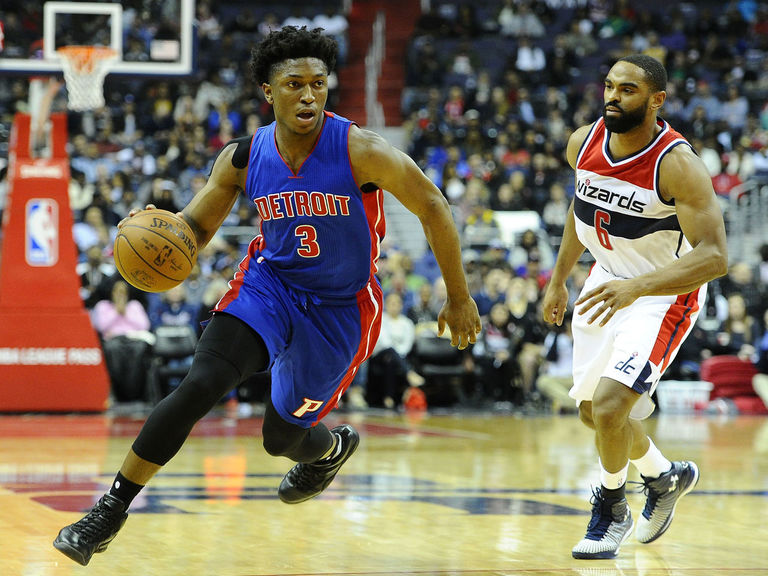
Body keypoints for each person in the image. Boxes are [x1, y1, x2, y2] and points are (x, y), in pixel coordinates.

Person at [53, 26, 481, 567]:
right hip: (270, 286)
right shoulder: (242, 157)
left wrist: (459, 296)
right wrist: (155, 238)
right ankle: (108, 512)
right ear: (268, 91)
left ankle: (329, 450)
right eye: (295, 84)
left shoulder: (360, 150)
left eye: (319, 84)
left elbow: (434, 205)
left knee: (281, 437)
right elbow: (192, 231)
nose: (309, 95)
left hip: (339, 309)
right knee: (200, 384)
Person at [541, 54, 728, 560]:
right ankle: (663, 478)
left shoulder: (678, 164)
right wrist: (558, 281)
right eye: (608, 86)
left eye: (626, 90)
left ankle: (611, 508)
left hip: (665, 292)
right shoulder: (583, 142)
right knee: (592, 413)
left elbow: (715, 257)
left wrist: (638, 287)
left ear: (656, 99)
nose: (612, 97)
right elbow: (581, 214)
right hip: (606, 282)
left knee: (609, 407)